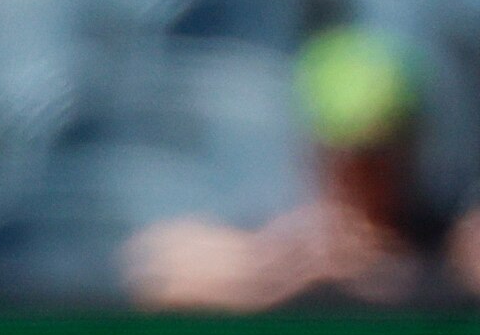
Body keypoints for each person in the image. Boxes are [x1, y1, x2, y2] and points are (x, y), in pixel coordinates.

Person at [125, 23, 480, 311]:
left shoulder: (450, 245)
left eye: (383, 153)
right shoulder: (294, 248)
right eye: (351, 156)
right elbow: (151, 269)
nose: (368, 175)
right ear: (317, 153)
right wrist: (271, 276)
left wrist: (412, 274)